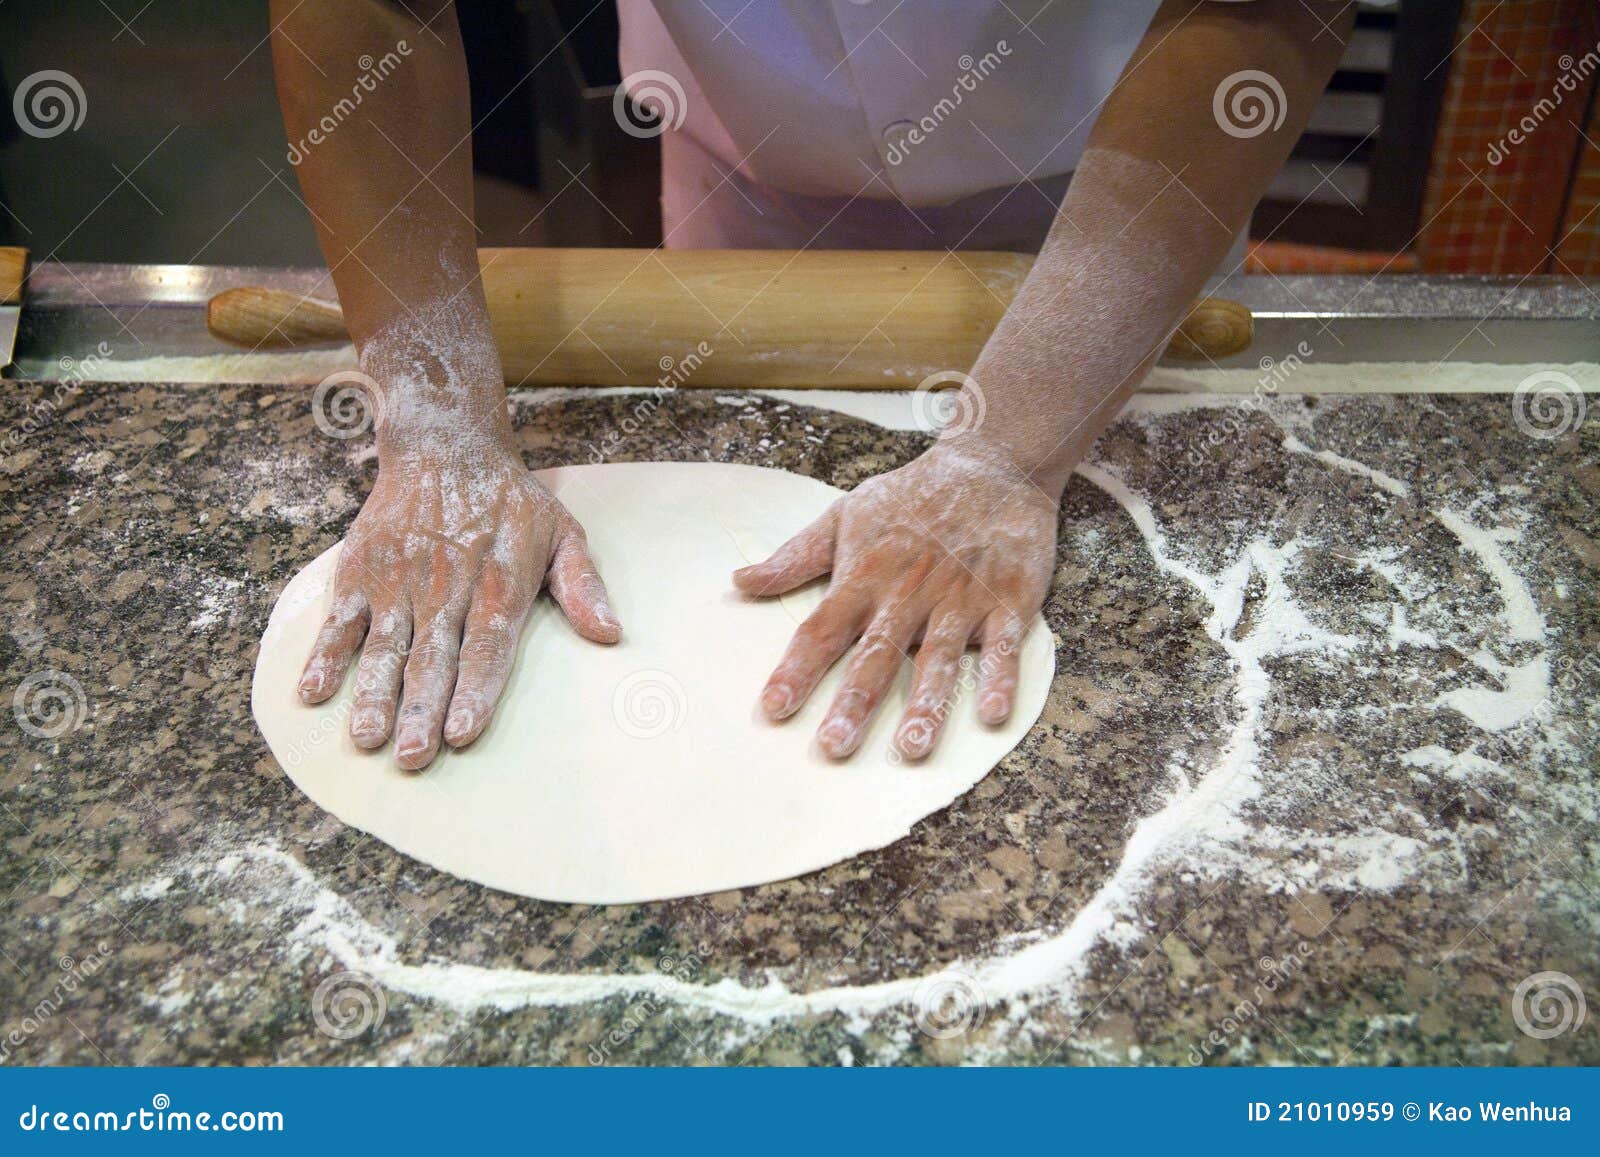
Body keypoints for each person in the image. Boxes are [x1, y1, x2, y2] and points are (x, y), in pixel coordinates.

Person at [272, 0, 1354, 770]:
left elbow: (1263, 11)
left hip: (1116, 182)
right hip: (745, 159)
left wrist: (1010, 452)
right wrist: (436, 427)